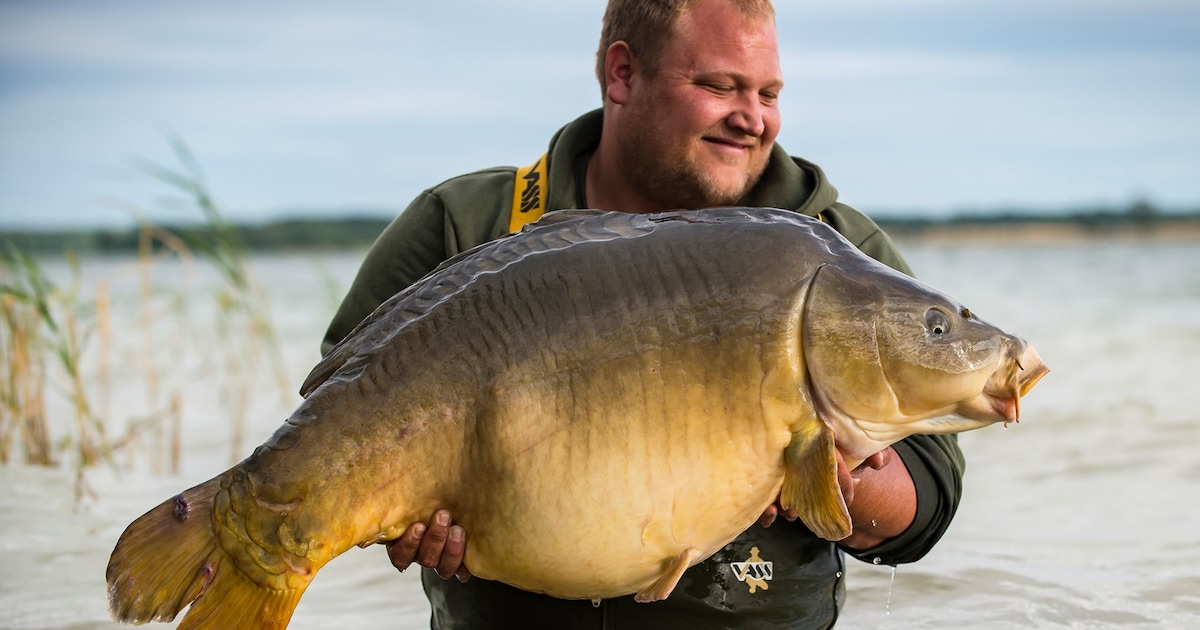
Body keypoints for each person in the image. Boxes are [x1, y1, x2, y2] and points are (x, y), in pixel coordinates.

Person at [321, 0, 965, 627]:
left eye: (768, 95)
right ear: (623, 74)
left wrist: (835, 476)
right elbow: (337, 427)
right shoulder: (465, 227)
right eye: (720, 86)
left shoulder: (837, 254)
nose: (753, 120)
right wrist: (391, 514)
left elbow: (929, 498)